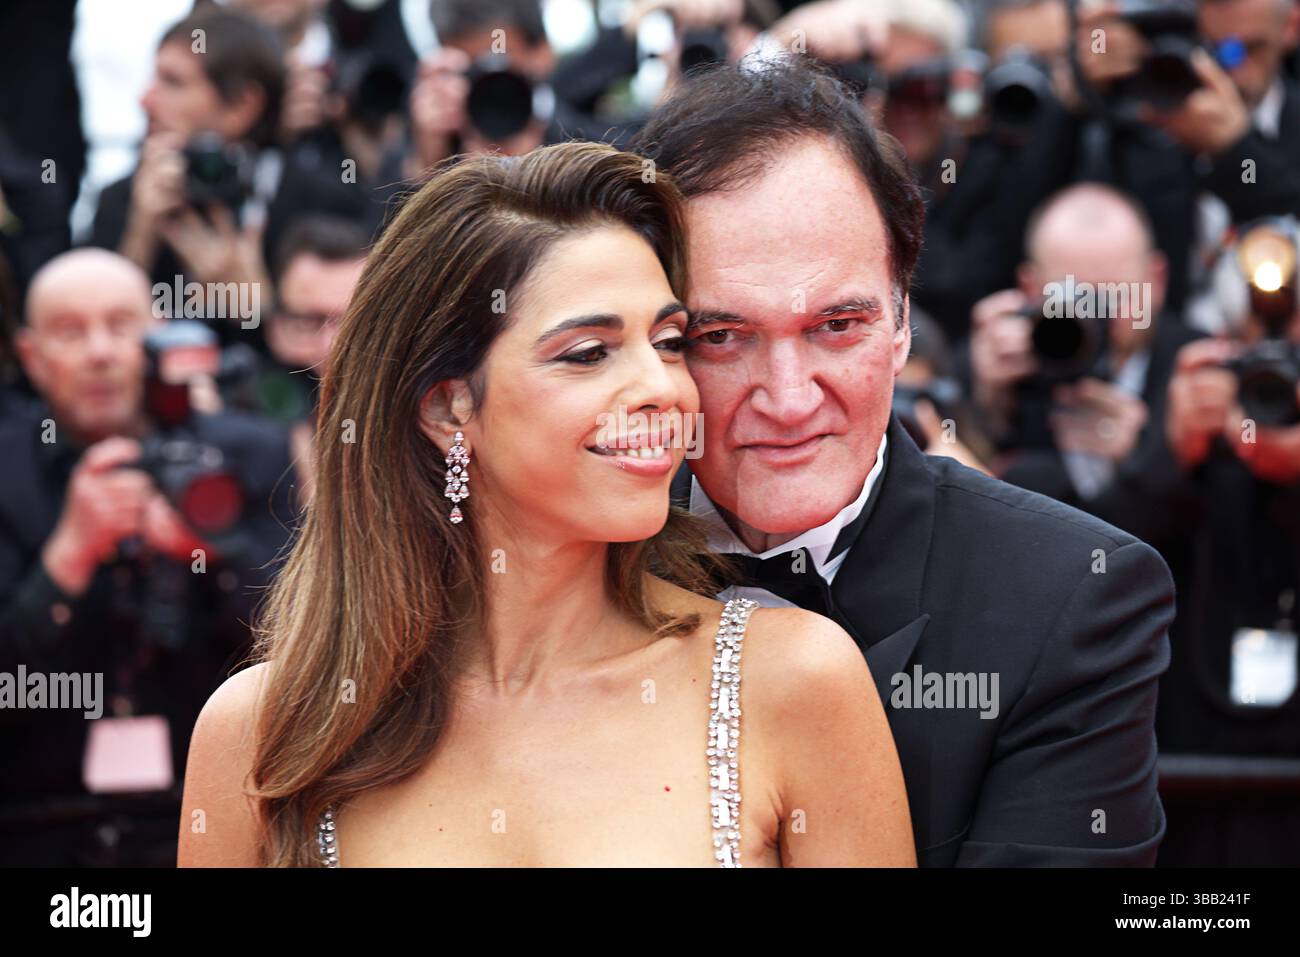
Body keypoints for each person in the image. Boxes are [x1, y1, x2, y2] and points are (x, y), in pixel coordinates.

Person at [177, 141, 915, 868]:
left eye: (669, 341)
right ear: (448, 407)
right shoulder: (260, 731)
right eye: (589, 353)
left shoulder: (792, 681)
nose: (662, 387)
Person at [633, 54, 1175, 865]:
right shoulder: (572, 563)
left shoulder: (1072, 598)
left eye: (836, 326)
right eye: (723, 336)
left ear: (901, 323)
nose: (788, 399)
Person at [0, 249, 296, 866]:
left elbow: (300, 652)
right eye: (70, 332)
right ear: (31, 355)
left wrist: (204, 554)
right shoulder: (7, 473)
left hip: (220, 817)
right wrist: (67, 558)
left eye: (121, 324)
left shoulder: (249, 455)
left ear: (158, 337)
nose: (100, 352)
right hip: (37, 828)